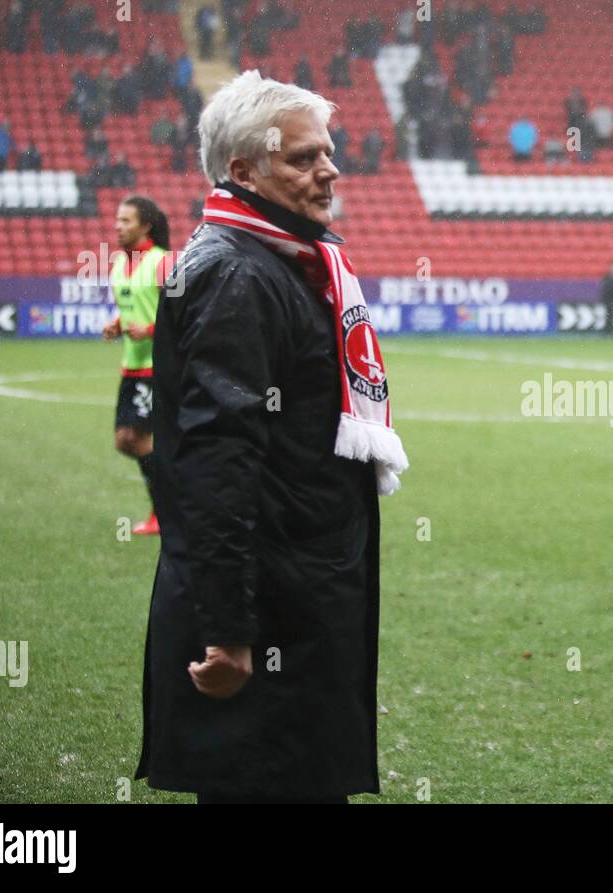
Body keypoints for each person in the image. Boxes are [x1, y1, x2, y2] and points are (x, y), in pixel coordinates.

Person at [134, 70, 408, 804]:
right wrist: (227, 630)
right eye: (303, 157)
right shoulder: (239, 275)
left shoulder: (279, 261)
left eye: (328, 151)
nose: (330, 168)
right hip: (269, 620)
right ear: (243, 171)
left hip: (295, 600)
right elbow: (217, 463)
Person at [101, 196, 173, 537]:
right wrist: (118, 324)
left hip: (157, 367)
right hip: (132, 365)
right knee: (124, 441)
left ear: (146, 225)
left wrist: (152, 331)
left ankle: (164, 512)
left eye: (126, 220)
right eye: (118, 219)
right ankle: (173, 492)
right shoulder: (118, 264)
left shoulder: (162, 263)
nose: (118, 226)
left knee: (133, 436)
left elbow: (185, 316)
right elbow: (133, 308)